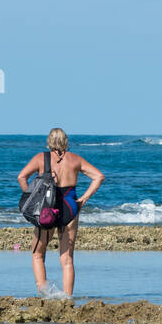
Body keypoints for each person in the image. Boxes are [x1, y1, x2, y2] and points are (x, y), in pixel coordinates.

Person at [17, 128, 104, 299]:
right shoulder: (75, 159)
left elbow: (21, 177)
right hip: (70, 208)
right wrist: (84, 199)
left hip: (46, 210)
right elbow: (99, 176)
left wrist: (32, 198)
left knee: (38, 254)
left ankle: (43, 294)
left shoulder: (41, 158)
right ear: (66, 141)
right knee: (67, 259)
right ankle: (68, 298)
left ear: (49, 141)